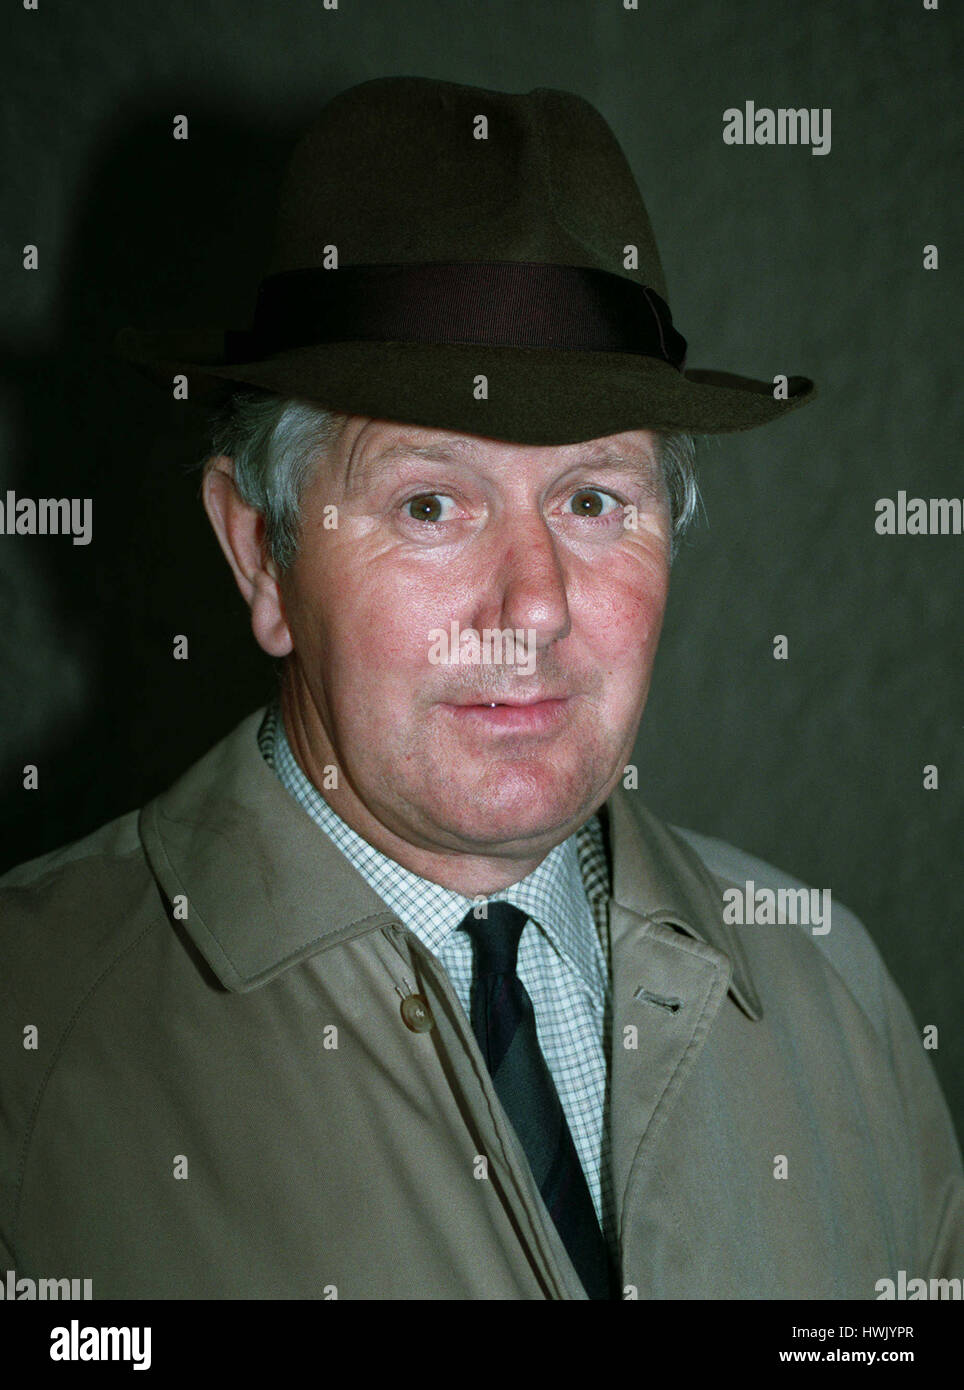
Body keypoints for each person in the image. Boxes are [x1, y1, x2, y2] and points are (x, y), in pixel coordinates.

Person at [1, 76, 960, 1301]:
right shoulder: (29, 1055)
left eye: (593, 499)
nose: (535, 604)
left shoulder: (836, 993)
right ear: (260, 554)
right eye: (431, 504)